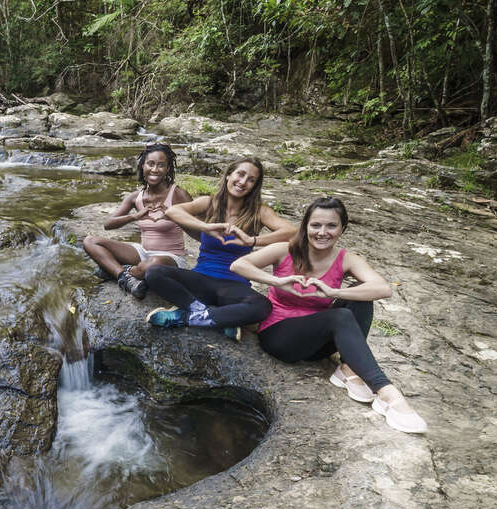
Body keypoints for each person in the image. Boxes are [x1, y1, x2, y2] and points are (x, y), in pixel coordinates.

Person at [229, 197, 428, 434]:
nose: (322, 232)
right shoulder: (286, 249)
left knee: (360, 296)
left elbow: (383, 288)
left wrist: (334, 292)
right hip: (280, 337)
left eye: (331, 226)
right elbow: (239, 265)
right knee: (341, 316)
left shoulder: (347, 258)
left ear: (342, 228)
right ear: (305, 226)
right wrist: (278, 281)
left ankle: (348, 370)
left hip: (318, 340)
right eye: (316, 225)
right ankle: (387, 393)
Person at [143, 157, 295, 338]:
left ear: (255, 186)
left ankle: (187, 317)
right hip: (200, 279)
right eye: (240, 174)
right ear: (229, 175)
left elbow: (292, 232)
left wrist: (251, 240)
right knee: (154, 273)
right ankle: (217, 317)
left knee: (262, 306)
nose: (243, 182)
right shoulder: (209, 203)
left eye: (251, 179)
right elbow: (172, 211)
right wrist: (205, 227)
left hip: (233, 286)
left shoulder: (259, 211)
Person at [82, 143, 193, 299]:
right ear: (143, 166)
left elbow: (200, 228)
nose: (155, 169)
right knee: (90, 241)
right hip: (143, 253)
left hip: (171, 258)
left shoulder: (179, 194)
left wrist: (175, 216)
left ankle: (119, 271)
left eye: (161, 165)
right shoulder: (136, 197)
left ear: (168, 169)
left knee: (152, 265)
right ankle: (124, 277)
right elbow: (108, 224)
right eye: (151, 164)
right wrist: (134, 216)